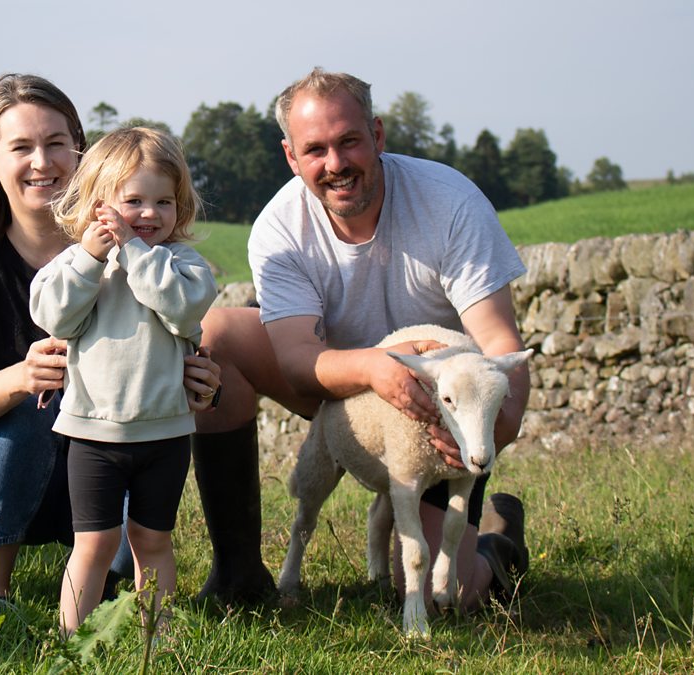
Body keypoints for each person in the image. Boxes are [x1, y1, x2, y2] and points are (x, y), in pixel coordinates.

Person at [192, 67, 531, 611]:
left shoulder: (450, 202)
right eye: (316, 149)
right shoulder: (279, 227)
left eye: (349, 141)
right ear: (290, 157)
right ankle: (237, 571)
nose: (336, 164)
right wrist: (377, 368)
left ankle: (497, 542)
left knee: (449, 597)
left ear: (377, 135)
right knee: (219, 335)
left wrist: (485, 437)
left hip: (434, 405)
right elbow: (299, 358)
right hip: (340, 381)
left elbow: (498, 344)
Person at [0, 74, 221, 605]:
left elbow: (180, 318)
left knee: (133, 550)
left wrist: (200, 374)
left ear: (81, 151)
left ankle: (136, 605)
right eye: (22, 147)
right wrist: (21, 377)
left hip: (117, 435)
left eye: (57, 143)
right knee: (26, 417)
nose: (43, 162)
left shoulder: (141, 242)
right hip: (4, 454)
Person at [30, 126, 217, 634]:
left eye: (164, 201)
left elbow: (182, 311)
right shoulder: (79, 265)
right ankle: (70, 642)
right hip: (93, 434)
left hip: (166, 433)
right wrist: (92, 258)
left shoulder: (184, 266)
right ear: (97, 205)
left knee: (151, 539)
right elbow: (55, 318)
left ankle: (155, 640)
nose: (150, 214)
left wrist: (134, 250)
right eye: (133, 201)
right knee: (92, 543)